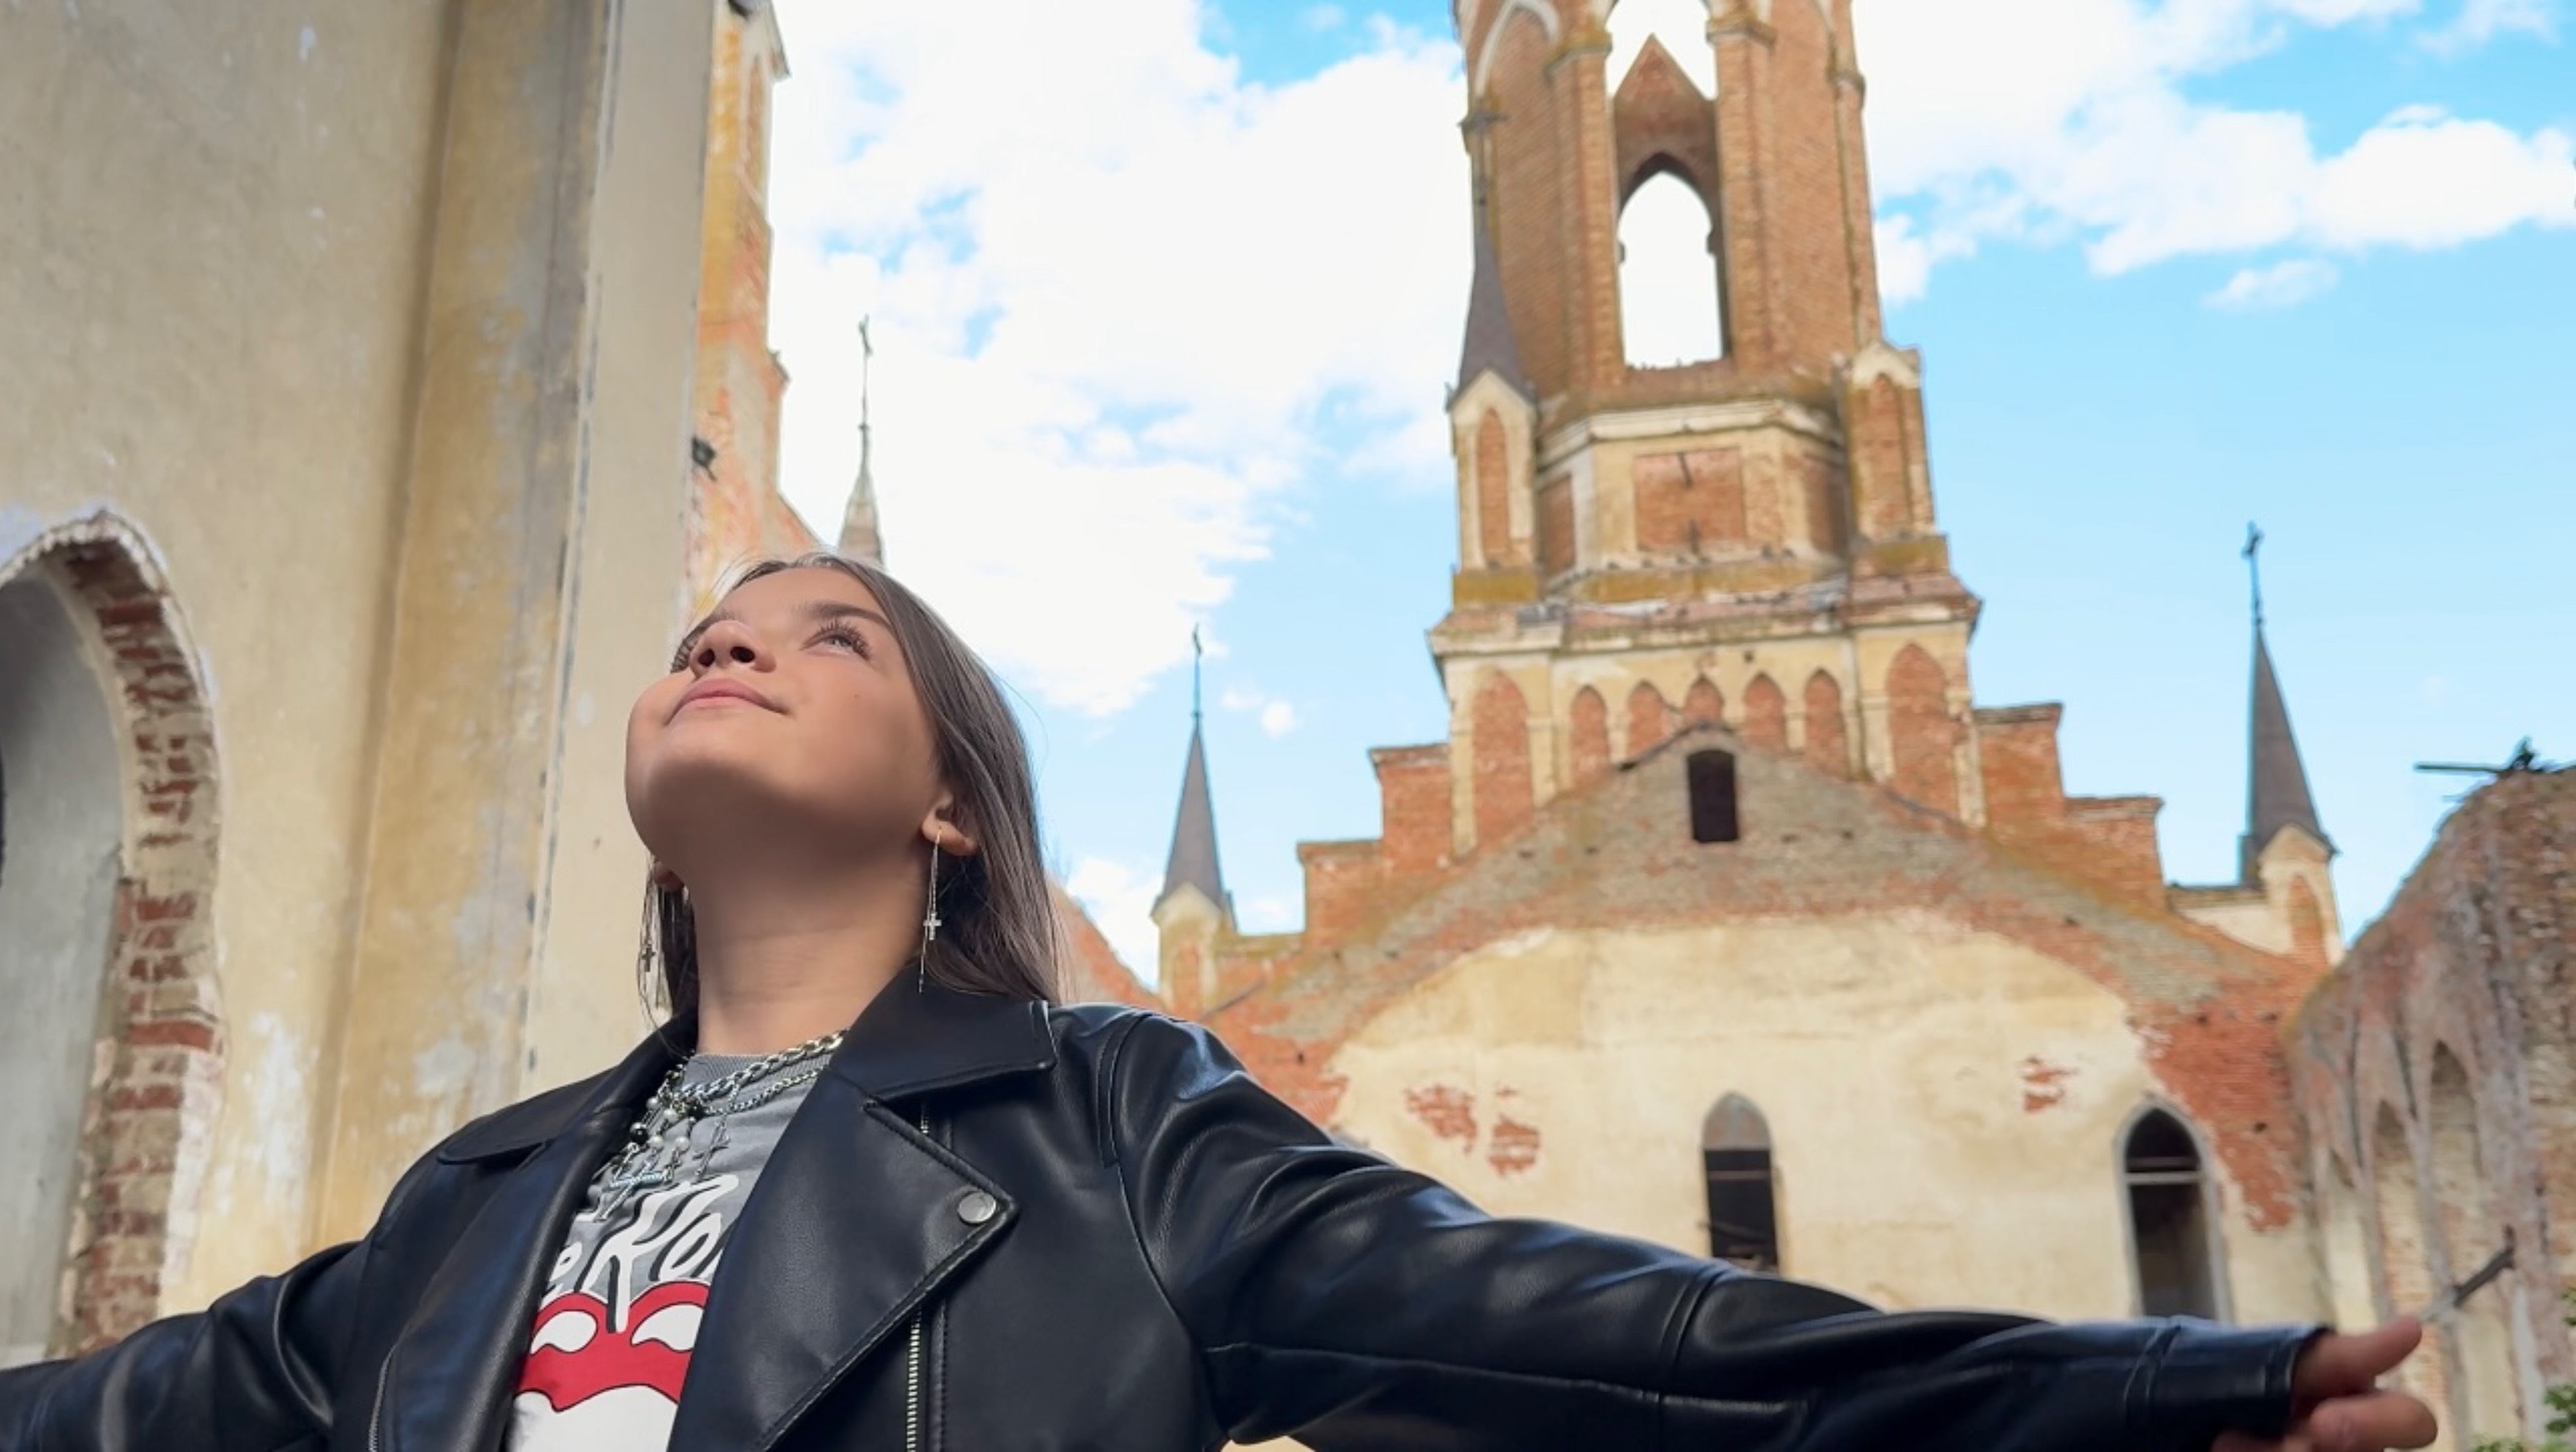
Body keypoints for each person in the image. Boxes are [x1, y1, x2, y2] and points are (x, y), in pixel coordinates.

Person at [0, 553, 2439, 1452]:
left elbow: (1602, 1339)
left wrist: (2119, 1394)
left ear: (953, 806)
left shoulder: (1109, 1124)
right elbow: (113, 1416)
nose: (734, 640)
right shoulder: (476, 1202)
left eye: (831, 634)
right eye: (707, 631)